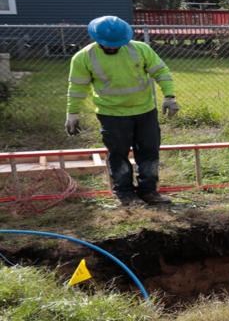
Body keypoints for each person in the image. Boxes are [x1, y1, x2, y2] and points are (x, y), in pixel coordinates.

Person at [65, 16, 180, 207]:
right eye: (107, 45)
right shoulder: (84, 57)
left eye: (116, 44)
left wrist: (169, 97)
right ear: (97, 39)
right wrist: (73, 113)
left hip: (145, 111)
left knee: (149, 152)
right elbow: (77, 88)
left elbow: (161, 72)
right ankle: (125, 193)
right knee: (118, 155)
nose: (112, 47)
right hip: (112, 115)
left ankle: (149, 191)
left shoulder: (140, 49)